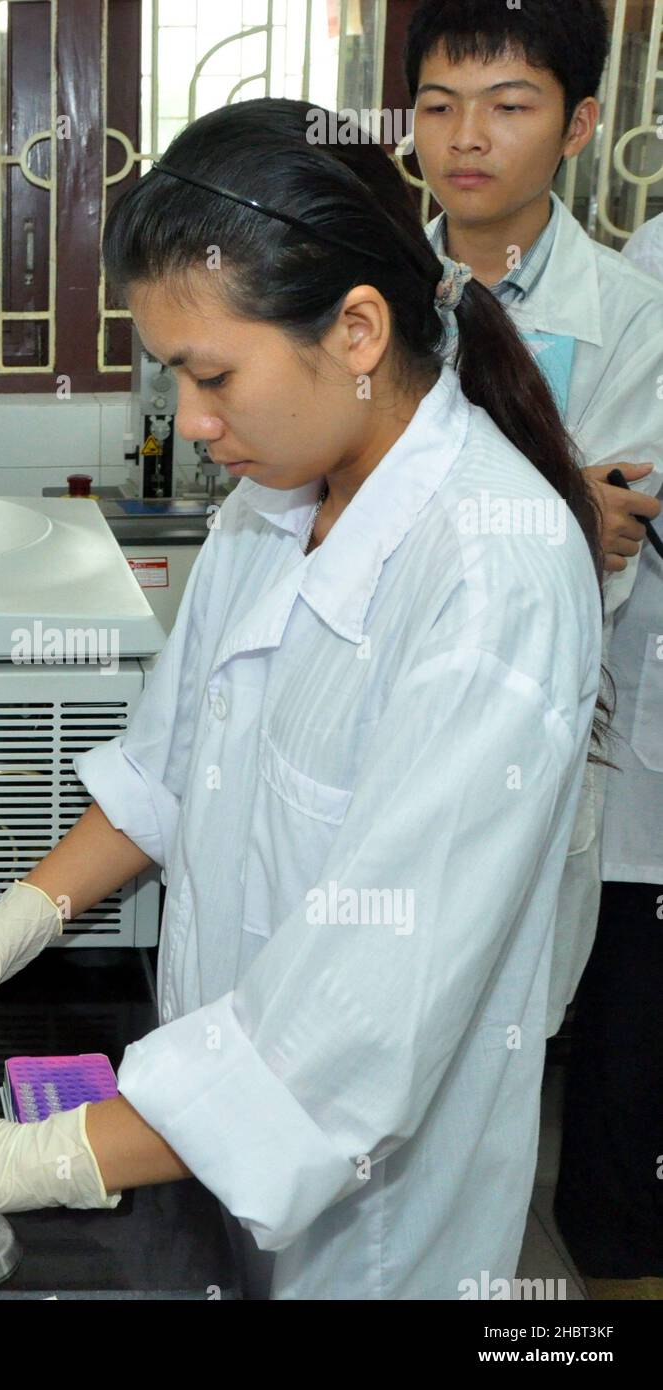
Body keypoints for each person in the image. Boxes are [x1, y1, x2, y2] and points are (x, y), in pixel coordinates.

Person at [0, 97, 605, 1299]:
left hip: (367, 1231)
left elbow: (351, 1037)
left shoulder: (492, 579)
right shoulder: (270, 506)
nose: (192, 422)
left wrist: (28, 1157)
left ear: (359, 329)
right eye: (172, 374)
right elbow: (167, 773)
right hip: (198, 1146)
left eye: (211, 373)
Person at [403, 0, 663, 1034]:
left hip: (531, 732)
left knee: (496, 1053)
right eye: (437, 105)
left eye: (507, 106)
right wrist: (554, 497)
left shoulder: (629, 314)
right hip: (380, 721)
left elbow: (599, 552)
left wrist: (410, 510)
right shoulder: (357, 292)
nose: (465, 138)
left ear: (579, 123)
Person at [552, 212, 663, 1298]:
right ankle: (615, 1258)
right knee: (633, 1022)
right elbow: (621, 503)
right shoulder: (650, 270)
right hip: (636, 738)